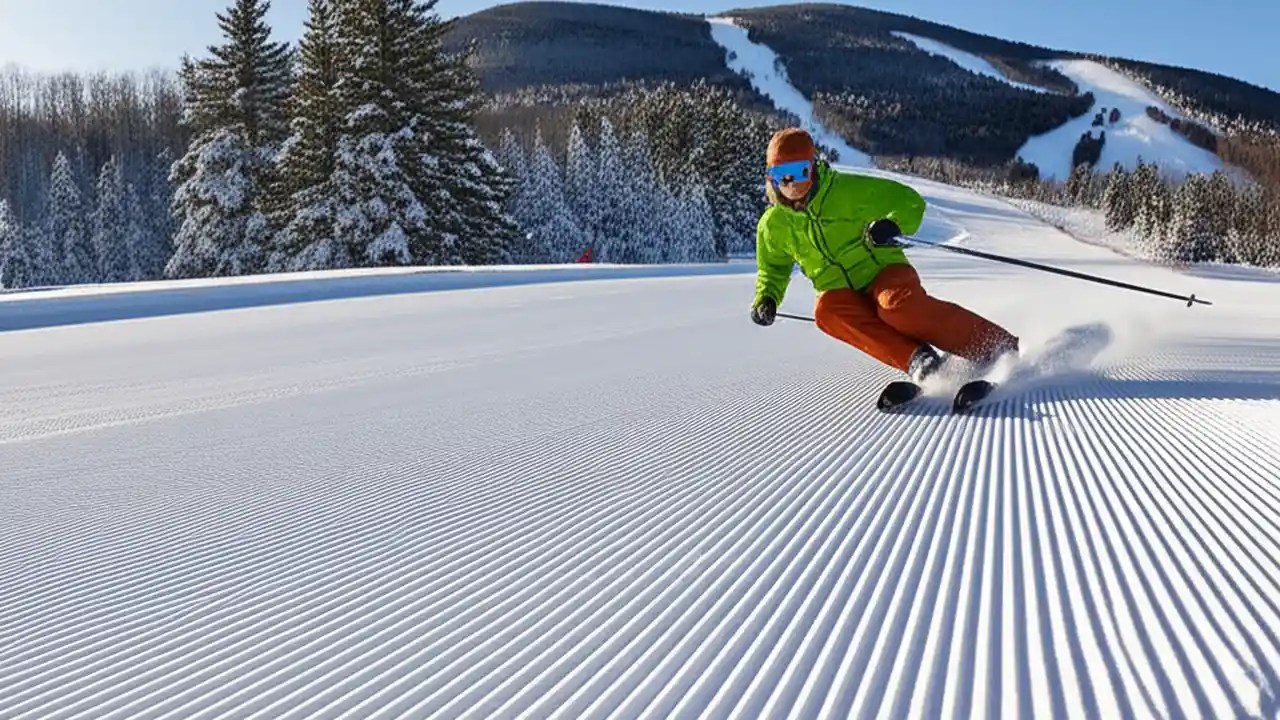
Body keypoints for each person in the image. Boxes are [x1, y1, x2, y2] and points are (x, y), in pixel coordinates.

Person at [750, 127, 1018, 383]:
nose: (793, 184)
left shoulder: (845, 190)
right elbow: (772, 268)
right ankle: (918, 360)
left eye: (801, 172)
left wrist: (893, 224)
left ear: (813, 167)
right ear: (771, 177)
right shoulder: (773, 225)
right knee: (826, 312)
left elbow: (908, 200)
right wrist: (767, 297)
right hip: (841, 291)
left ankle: (993, 344)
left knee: (897, 309)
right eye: (784, 175)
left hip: (884, 272)